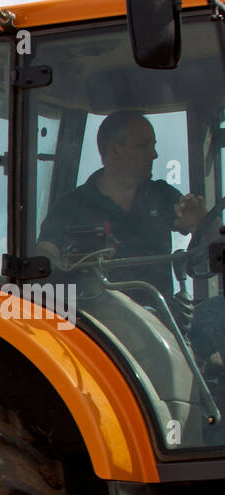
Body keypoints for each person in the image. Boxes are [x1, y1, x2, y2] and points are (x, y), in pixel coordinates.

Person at [36, 110, 224, 373]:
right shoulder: (73, 205)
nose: (154, 154)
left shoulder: (161, 195)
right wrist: (69, 268)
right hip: (102, 326)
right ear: (115, 150)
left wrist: (202, 221)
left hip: (165, 319)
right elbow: (44, 255)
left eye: (154, 145)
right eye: (144, 145)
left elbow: (212, 244)